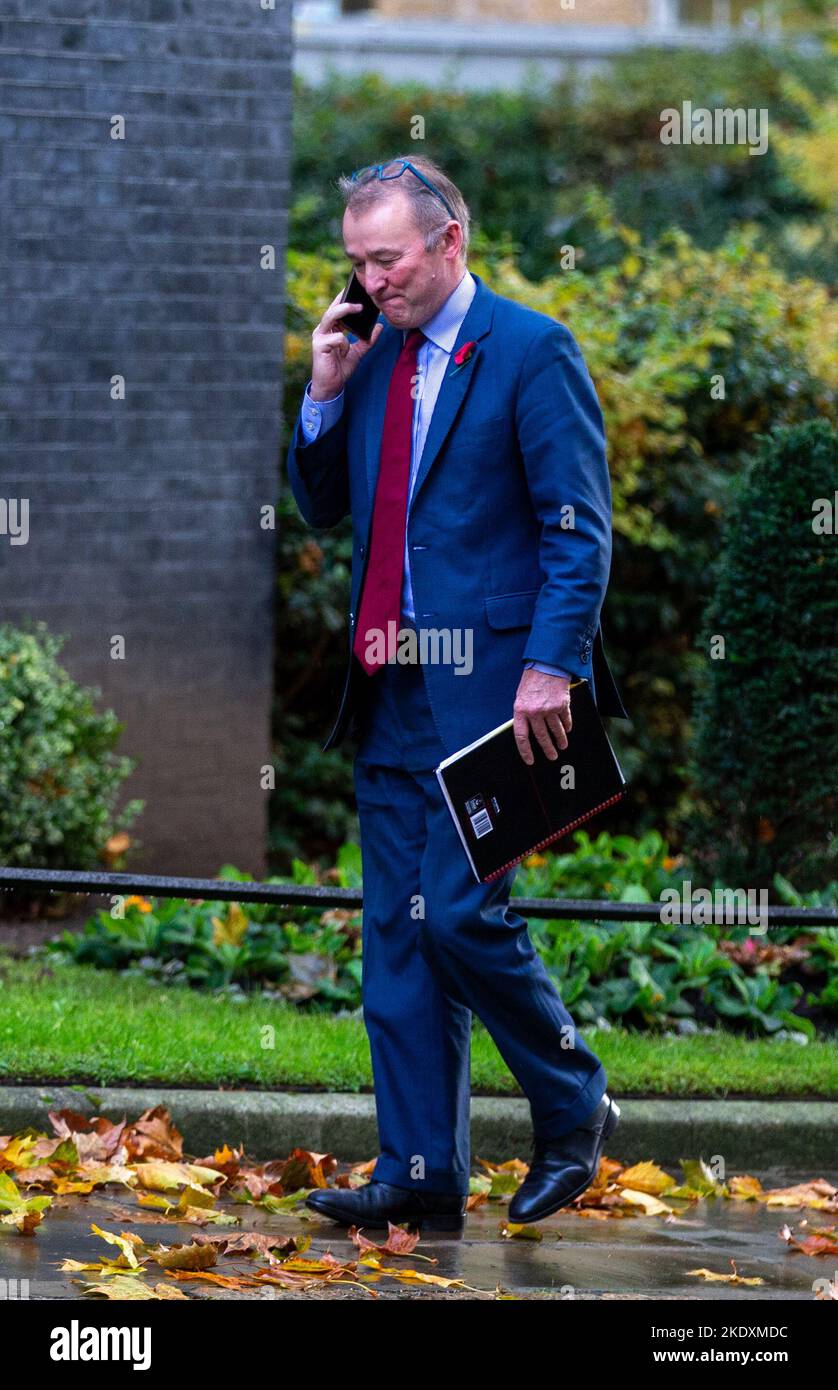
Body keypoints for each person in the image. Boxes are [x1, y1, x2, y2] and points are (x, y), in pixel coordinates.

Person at [286, 155, 629, 1234]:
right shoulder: (373, 355)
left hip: (495, 693)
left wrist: (549, 667)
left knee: (465, 916)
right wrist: (323, 393)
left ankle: (573, 1102)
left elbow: (579, 527)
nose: (371, 281)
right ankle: (420, 1172)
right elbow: (324, 508)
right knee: (396, 932)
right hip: (387, 687)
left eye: (385, 259)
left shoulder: (533, 351)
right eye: (357, 264)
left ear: (449, 242)